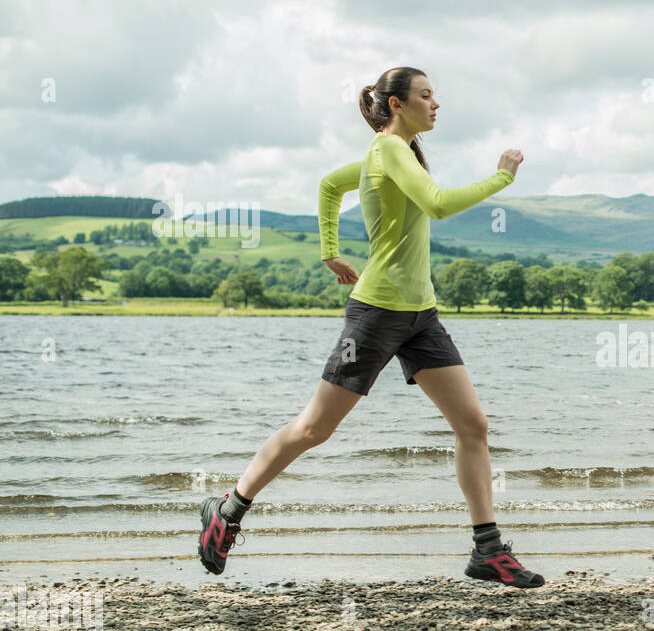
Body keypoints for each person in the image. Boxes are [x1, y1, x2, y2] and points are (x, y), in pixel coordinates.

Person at [198, 65, 543, 588]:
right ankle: (228, 508)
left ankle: (487, 551)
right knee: (316, 428)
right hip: (377, 313)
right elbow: (438, 204)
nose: (436, 103)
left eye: (435, 95)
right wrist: (502, 176)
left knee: (472, 424)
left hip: (420, 316)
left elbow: (331, 185)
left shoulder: (387, 155)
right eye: (426, 95)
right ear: (398, 105)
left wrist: (331, 251)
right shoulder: (387, 151)